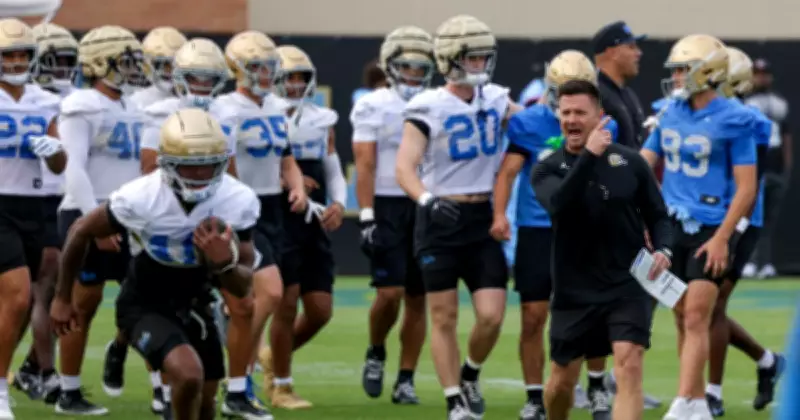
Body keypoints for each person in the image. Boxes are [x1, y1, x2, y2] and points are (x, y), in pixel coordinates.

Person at [50, 108, 259, 420]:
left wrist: (223, 265)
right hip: (143, 301)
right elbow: (80, 230)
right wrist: (62, 297)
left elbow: (243, 287)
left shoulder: (237, 199)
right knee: (188, 375)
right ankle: (123, 340)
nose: (201, 176)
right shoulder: (141, 196)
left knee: (205, 404)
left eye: (208, 166)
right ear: (167, 163)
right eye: (190, 167)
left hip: (197, 302)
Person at [395, 14, 521, 420]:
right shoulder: (426, 105)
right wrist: (428, 200)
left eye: (486, 57)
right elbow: (404, 168)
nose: (483, 65)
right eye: (475, 58)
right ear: (451, 59)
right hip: (440, 218)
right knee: (443, 315)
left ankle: (470, 372)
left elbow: (531, 125)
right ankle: (454, 402)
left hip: (481, 217)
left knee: (492, 315)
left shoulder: (497, 98)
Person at [104, 37, 237, 417]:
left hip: (204, 213)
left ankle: (198, 378)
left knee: (204, 291)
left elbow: (232, 174)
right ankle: (157, 381)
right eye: (193, 77)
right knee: (147, 293)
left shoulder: (226, 116)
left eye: (209, 78)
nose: (200, 86)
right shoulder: (155, 110)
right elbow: (150, 169)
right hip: (160, 217)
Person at [531, 78, 672, 420]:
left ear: (600, 117)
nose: (572, 120)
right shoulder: (546, 169)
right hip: (574, 290)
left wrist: (664, 249)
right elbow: (561, 206)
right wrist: (590, 156)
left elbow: (658, 215)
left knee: (629, 363)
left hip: (626, 286)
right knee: (561, 383)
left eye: (581, 112)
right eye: (566, 113)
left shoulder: (631, 163)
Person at [491, 50, 619, 420]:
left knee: (594, 313)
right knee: (533, 314)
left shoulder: (605, 123)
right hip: (539, 229)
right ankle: (534, 395)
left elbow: (616, 174)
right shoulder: (530, 123)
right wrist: (500, 214)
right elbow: (507, 173)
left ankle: (596, 386)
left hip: (588, 230)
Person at [639, 34, 758, 420]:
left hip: (711, 225)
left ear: (706, 72)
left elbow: (747, 186)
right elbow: (644, 163)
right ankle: (696, 404)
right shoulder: (668, 111)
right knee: (680, 314)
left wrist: (725, 236)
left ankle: (685, 401)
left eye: (682, 69)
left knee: (696, 315)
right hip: (671, 227)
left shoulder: (735, 118)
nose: (675, 77)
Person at [54, 24, 149, 416]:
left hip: (128, 215)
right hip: (89, 212)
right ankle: (68, 392)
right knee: (84, 303)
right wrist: (96, 221)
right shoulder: (82, 104)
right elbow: (73, 168)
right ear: (99, 63)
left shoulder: (130, 104)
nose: (132, 69)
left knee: (147, 300)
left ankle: (141, 369)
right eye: (124, 61)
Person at [214, 29, 307, 416]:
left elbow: (286, 158)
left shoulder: (274, 108)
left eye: (270, 67)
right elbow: (227, 163)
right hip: (239, 208)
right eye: (257, 66)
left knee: (255, 301)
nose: (266, 74)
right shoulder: (226, 108)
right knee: (269, 293)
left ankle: (237, 381)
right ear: (237, 67)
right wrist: (236, 204)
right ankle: (237, 375)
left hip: (271, 208)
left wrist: (298, 187)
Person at [261, 44, 345, 409]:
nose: (295, 85)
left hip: (312, 222)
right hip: (280, 216)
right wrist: (287, 182)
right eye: (288, 77)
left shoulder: (321, 118)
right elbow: (256, 163)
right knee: (286, 302)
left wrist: (340, 201)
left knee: (320, 310)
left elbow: (332, 167)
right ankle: (281, 384)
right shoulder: (263, 114)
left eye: (301, 78)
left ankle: (271, 356)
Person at [352, 25, 433, 405]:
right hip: (387, 202)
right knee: (389, 293)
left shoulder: (437, 100)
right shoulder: (373, 104)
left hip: (425, 201)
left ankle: (405, 378)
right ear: (390, 65)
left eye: (421, 67)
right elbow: (365, 163)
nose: (415, 74)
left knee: (418, 297)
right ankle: (376, 349)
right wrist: (366, 214)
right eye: (408, 66)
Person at [705, 46, 785, 417]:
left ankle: (711, 392)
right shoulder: (704, 113)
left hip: (738, 218)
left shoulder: (749, 119)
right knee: (698, 307)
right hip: (706, 217)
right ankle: (766, 360)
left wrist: (733, 228)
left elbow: (746, 183)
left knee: (713, 304)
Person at [0, 17, 65, 420]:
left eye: (24, 53)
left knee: (19, 305)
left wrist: (52, 148)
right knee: (20, 294)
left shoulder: (45, 100)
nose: (18, 60)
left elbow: (60, 164)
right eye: (10, 54)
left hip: (35, 204)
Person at [743, 58, 791, 279]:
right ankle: (750, 260)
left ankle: (765, 262)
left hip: (775, 165)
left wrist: (787, 165)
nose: (761, 78)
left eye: (764, 74)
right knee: (752, 215)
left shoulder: (779, 102)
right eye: (757, 74)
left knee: (770, 218)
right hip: (755, 166)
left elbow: (786, 135)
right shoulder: (746, 102)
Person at [592, 20, 647, 149]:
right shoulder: (594, 94)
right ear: (613, 53)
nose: (639, 53)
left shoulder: (628, 94)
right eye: (631, 47)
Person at [127, 26, 186, 110]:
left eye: (175, 64)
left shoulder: (195, 98)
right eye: (161, 64)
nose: (169, 70)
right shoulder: (137, 101)